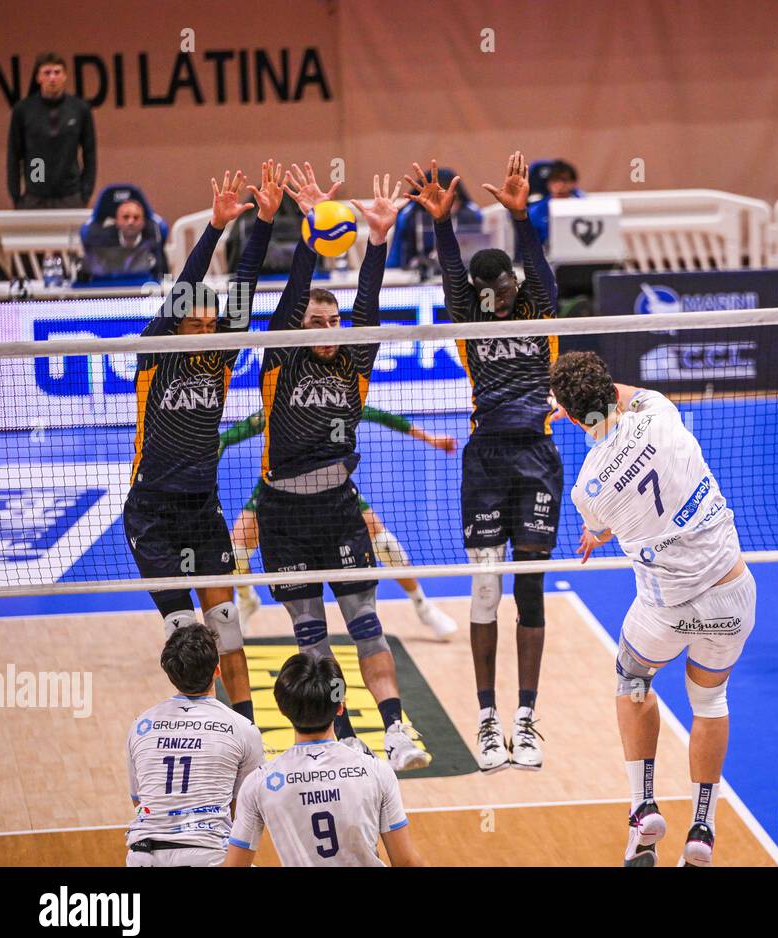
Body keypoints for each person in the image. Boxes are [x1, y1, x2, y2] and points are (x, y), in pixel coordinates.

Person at [253, 164, 431, 772]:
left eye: (333, 322)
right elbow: (289, 305)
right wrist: (308, 234)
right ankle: (346, 734)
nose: (328, 330)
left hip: (337, 509)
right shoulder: (279, 362)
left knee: (367, 626)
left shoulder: (354, 359)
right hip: (283, 513)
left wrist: (376, 241)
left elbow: (368, 303)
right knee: (310, 637)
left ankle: (396, 733)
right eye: (316, 323)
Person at [552, 351, 755, 867]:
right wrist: (588, 391)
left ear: (573, 419)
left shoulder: (588, 489)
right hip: (732, 595)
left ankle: (643, 807)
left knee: (632, 679)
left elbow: (599, 529)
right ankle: (702, 828)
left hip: (667, 611)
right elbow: (623, 395)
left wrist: (598, 532)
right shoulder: (661, 412)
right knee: (710, 702)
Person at [405, 154, 561, 774]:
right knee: (485, 586)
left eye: (501, 291)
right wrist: (441, 225)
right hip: (486, 460)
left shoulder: (540, 310)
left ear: (516, 289)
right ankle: (487, 719)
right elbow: (449, 275)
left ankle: (526, 717)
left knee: (530, 587)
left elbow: (541, 268)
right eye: (482, 293)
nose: (493, 300)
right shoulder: (468, 319)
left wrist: (521, 218)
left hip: (538, 458)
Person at [123, 162, 282, 723]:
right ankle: (204, 728)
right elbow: (189, 286)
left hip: (200, 509)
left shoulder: (219, 359)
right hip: (151, 515)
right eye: (197, 312)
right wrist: (213, 229)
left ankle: (246, 729)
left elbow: (244, 286)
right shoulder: (153, 355)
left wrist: (262, 220)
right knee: (185, 641)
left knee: (227, 629)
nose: (209, 318)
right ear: (178, 317)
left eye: (215, 316)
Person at [219, 405, 459, 638]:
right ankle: (246, 597)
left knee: (387, 546)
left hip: (331, 489)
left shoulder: (337, 401)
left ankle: (423, 607)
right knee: (235, 554)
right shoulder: (278, 408)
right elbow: (229, 436)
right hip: (277, 490)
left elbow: (381, 416)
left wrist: (431, 438)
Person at [224, 653, 422, 867]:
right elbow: (407, 862)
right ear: (340, 707)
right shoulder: (376, 771)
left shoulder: (258, 783)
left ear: (282, 709)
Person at [125, 623, 265, 867]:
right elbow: (246, 809)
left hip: (143, 856)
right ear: (218, 670)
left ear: (171, 675)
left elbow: (140, 802)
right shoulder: (243, 729)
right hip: (209, 854)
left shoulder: (141, 726)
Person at [6, 53, 96, 209]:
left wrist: (85, 193)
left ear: (65, 76)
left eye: (57, 72)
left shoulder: (79, 109)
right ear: (38, 77)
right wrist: (15, 196)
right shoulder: (24, 109)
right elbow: (14, 154)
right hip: (35, 192)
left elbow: (90, 153)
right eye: (47, 73)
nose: (52, 78)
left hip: (71, 194)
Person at [81, 196, 168, 279]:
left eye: (136, 218)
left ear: (143, 223)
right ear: (117, 221)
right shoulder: (101, 242)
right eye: (126, 217)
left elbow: (166, 275)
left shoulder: (154, 242)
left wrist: (169, 287)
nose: (131, 222)